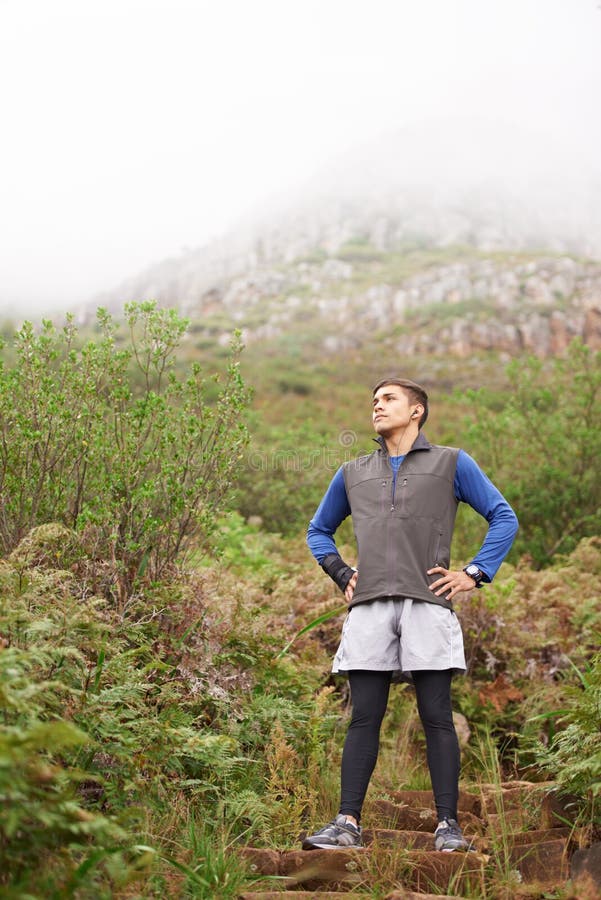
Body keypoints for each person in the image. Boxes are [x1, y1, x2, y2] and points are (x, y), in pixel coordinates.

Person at [302, 377, 518, 852]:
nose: (376, 406)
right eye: (373, 400)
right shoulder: (352, 472)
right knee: (364, 717)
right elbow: (318, 531)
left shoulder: (451, 463)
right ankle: (346, 824)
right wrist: (341, 571)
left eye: (388, 399)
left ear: (416, 411)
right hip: (370, 604)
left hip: (428, 602)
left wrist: (474, 573)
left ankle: (448, 827)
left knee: (436, 715)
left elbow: (504, 516)